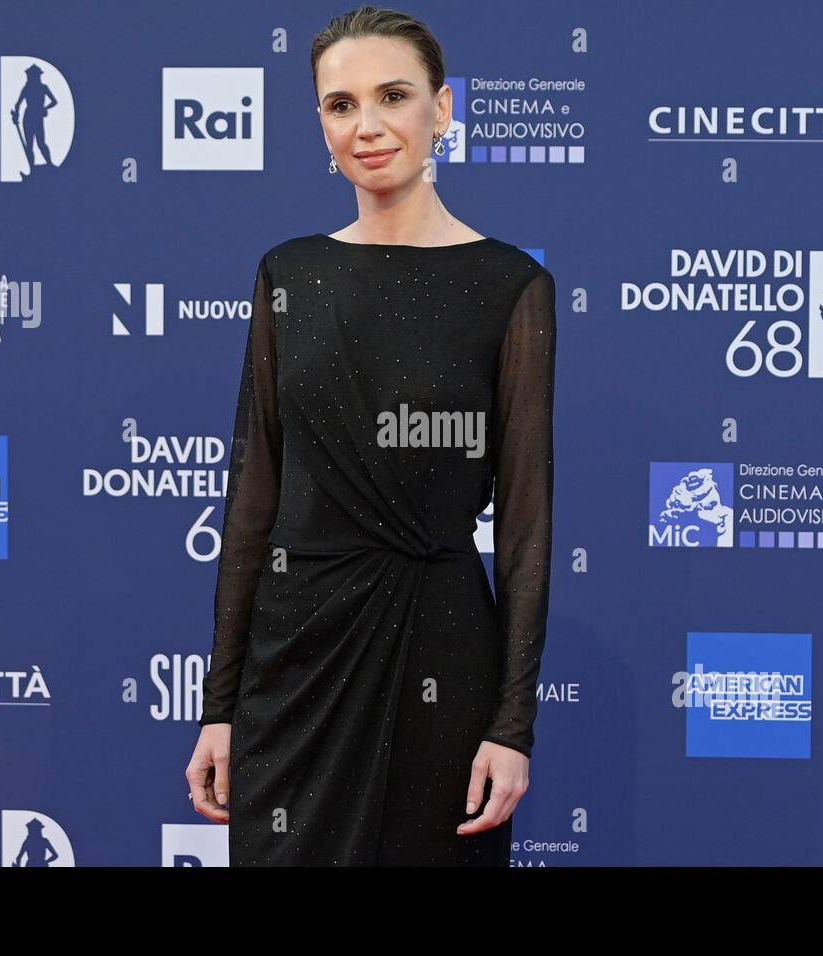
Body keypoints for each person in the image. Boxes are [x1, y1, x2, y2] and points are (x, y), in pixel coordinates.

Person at [184, 4, 557, 866]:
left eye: (393, 95)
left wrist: (513, 724)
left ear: (444, 108)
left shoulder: (510, 285)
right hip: (296, 662)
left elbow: (528, 526)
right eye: (340, 104)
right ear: (320, 121)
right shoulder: (289, 273)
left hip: (441, 652)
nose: (368, 125)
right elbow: (255, 496)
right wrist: (221, 704)